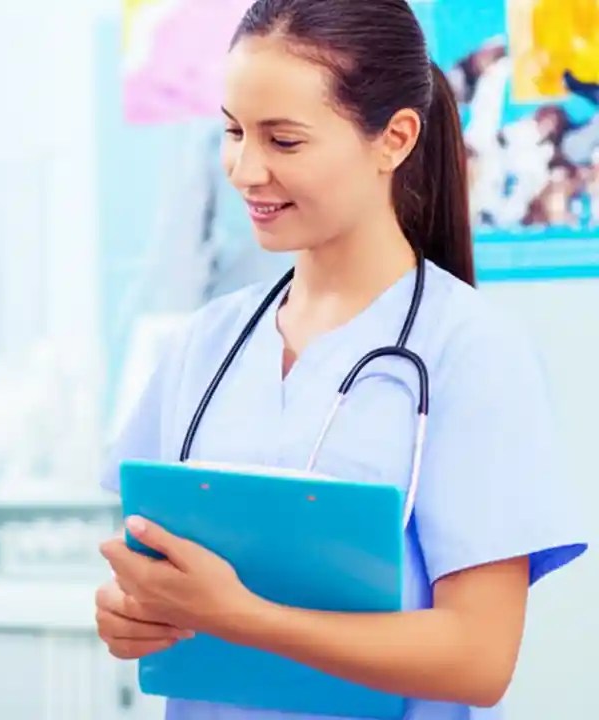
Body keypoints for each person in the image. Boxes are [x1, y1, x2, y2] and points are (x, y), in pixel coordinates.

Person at [93, 1, 589, 719]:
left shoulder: (471, 350)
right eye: (233, 131)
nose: (245, 169)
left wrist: (243, 617)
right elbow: (148, 573)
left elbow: (480, 659)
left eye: (284, 141)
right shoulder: (205, 343)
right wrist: (127, 613)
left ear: (394, 139)